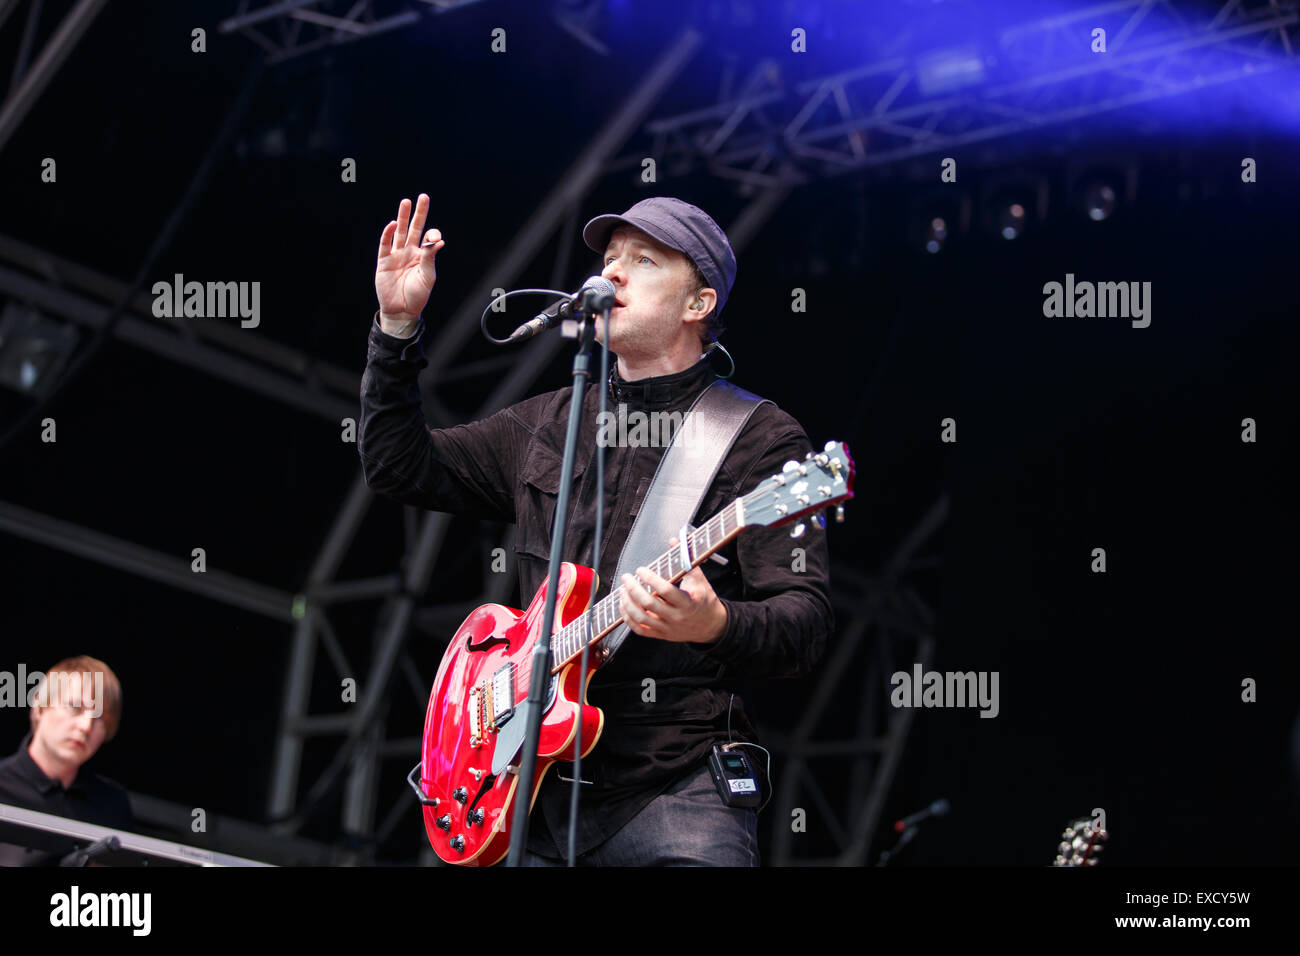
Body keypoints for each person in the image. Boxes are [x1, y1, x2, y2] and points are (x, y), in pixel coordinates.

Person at [359, 194, 834, 865]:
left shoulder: (760, 442)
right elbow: (398, 466)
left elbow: (806, 623)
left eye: (643, 260)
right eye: (609, 258)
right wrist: (397, 325)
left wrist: (714, 623)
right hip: (531, 790)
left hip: (676, 787)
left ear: (697, 305)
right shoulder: (552, 422)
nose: (613, 273)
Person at [0, 656, 131, 865]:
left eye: (100, 718)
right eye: (75, 708)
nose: (86, 726)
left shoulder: (112, 805)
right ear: (41, 706)